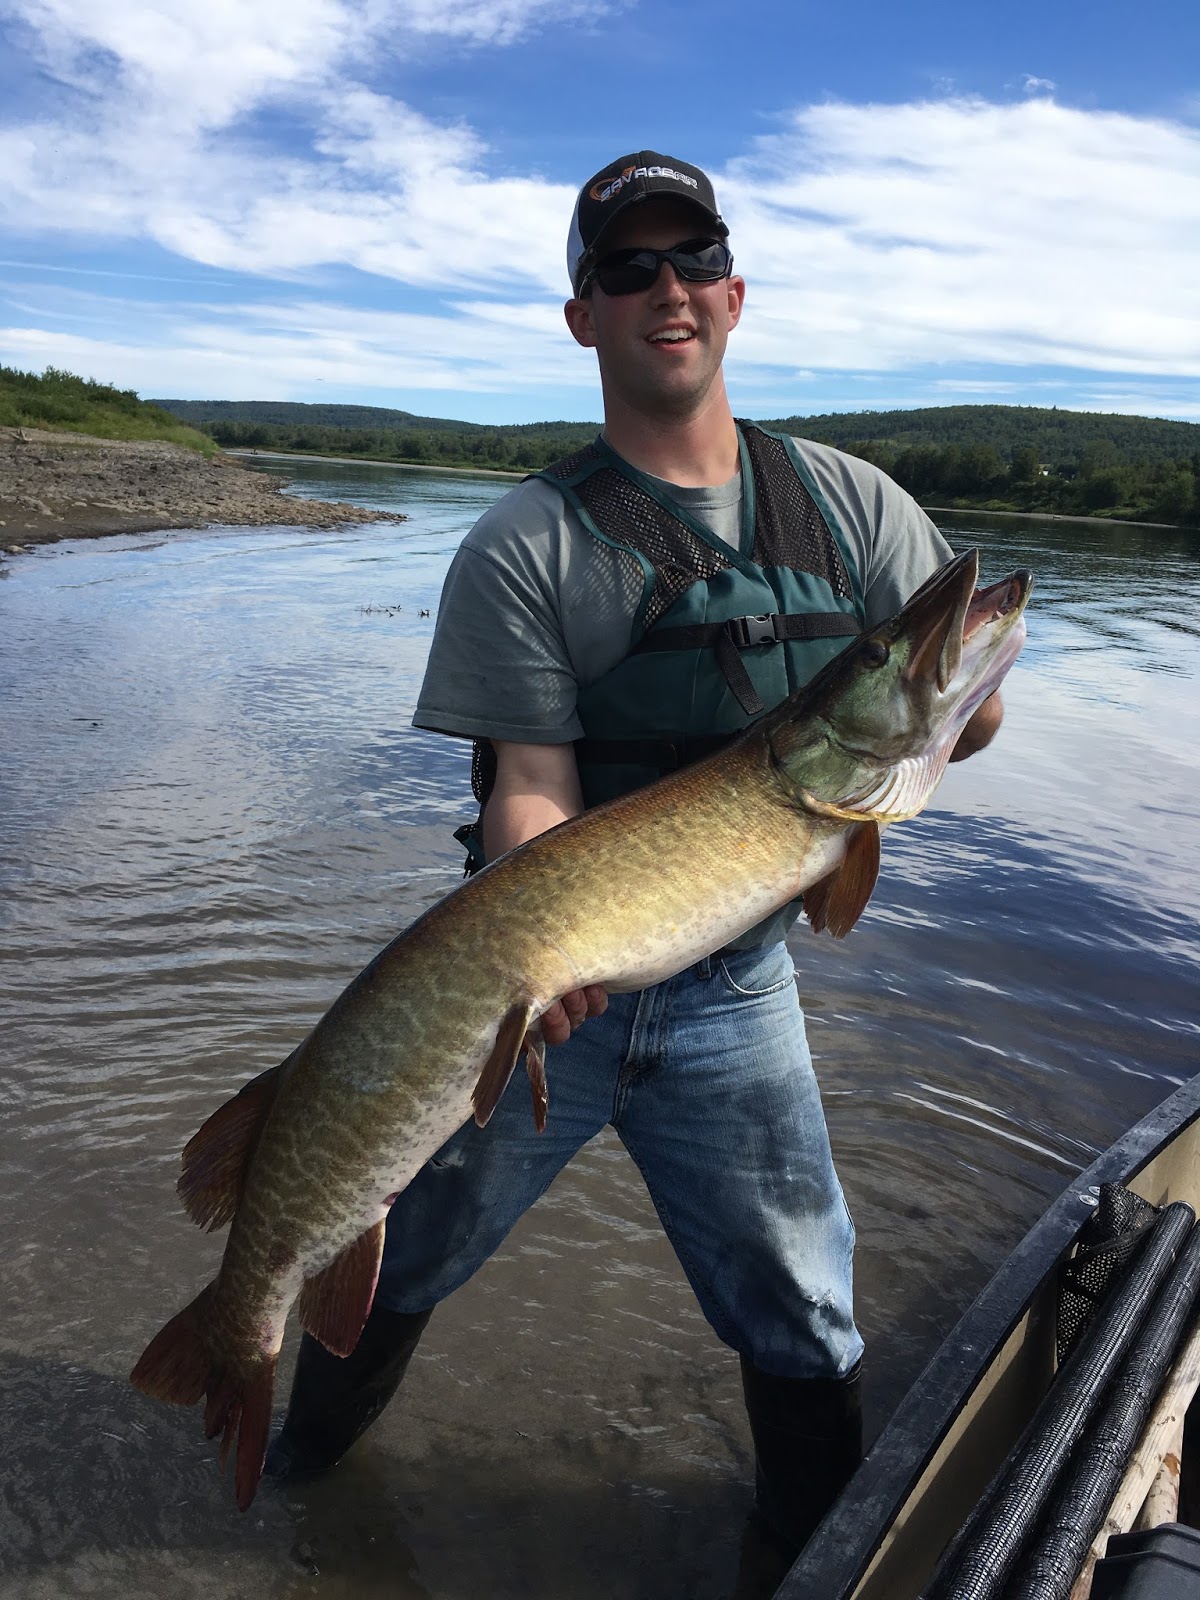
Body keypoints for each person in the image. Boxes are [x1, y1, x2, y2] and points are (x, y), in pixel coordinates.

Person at [266, 150, 1003, 1565]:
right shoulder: (524, 545)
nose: (667, 288)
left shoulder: (856, 506)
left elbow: (957, 726)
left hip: (736, 997)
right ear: (584, 316)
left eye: (691, 260)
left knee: (803, 1302)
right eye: (626, 268)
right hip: (544, 992)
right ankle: (298, 1480)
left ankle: (807, 1554)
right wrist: (543, 964)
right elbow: (527, 790)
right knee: (401, 1238)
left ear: (734, 293)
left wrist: (955, 691)